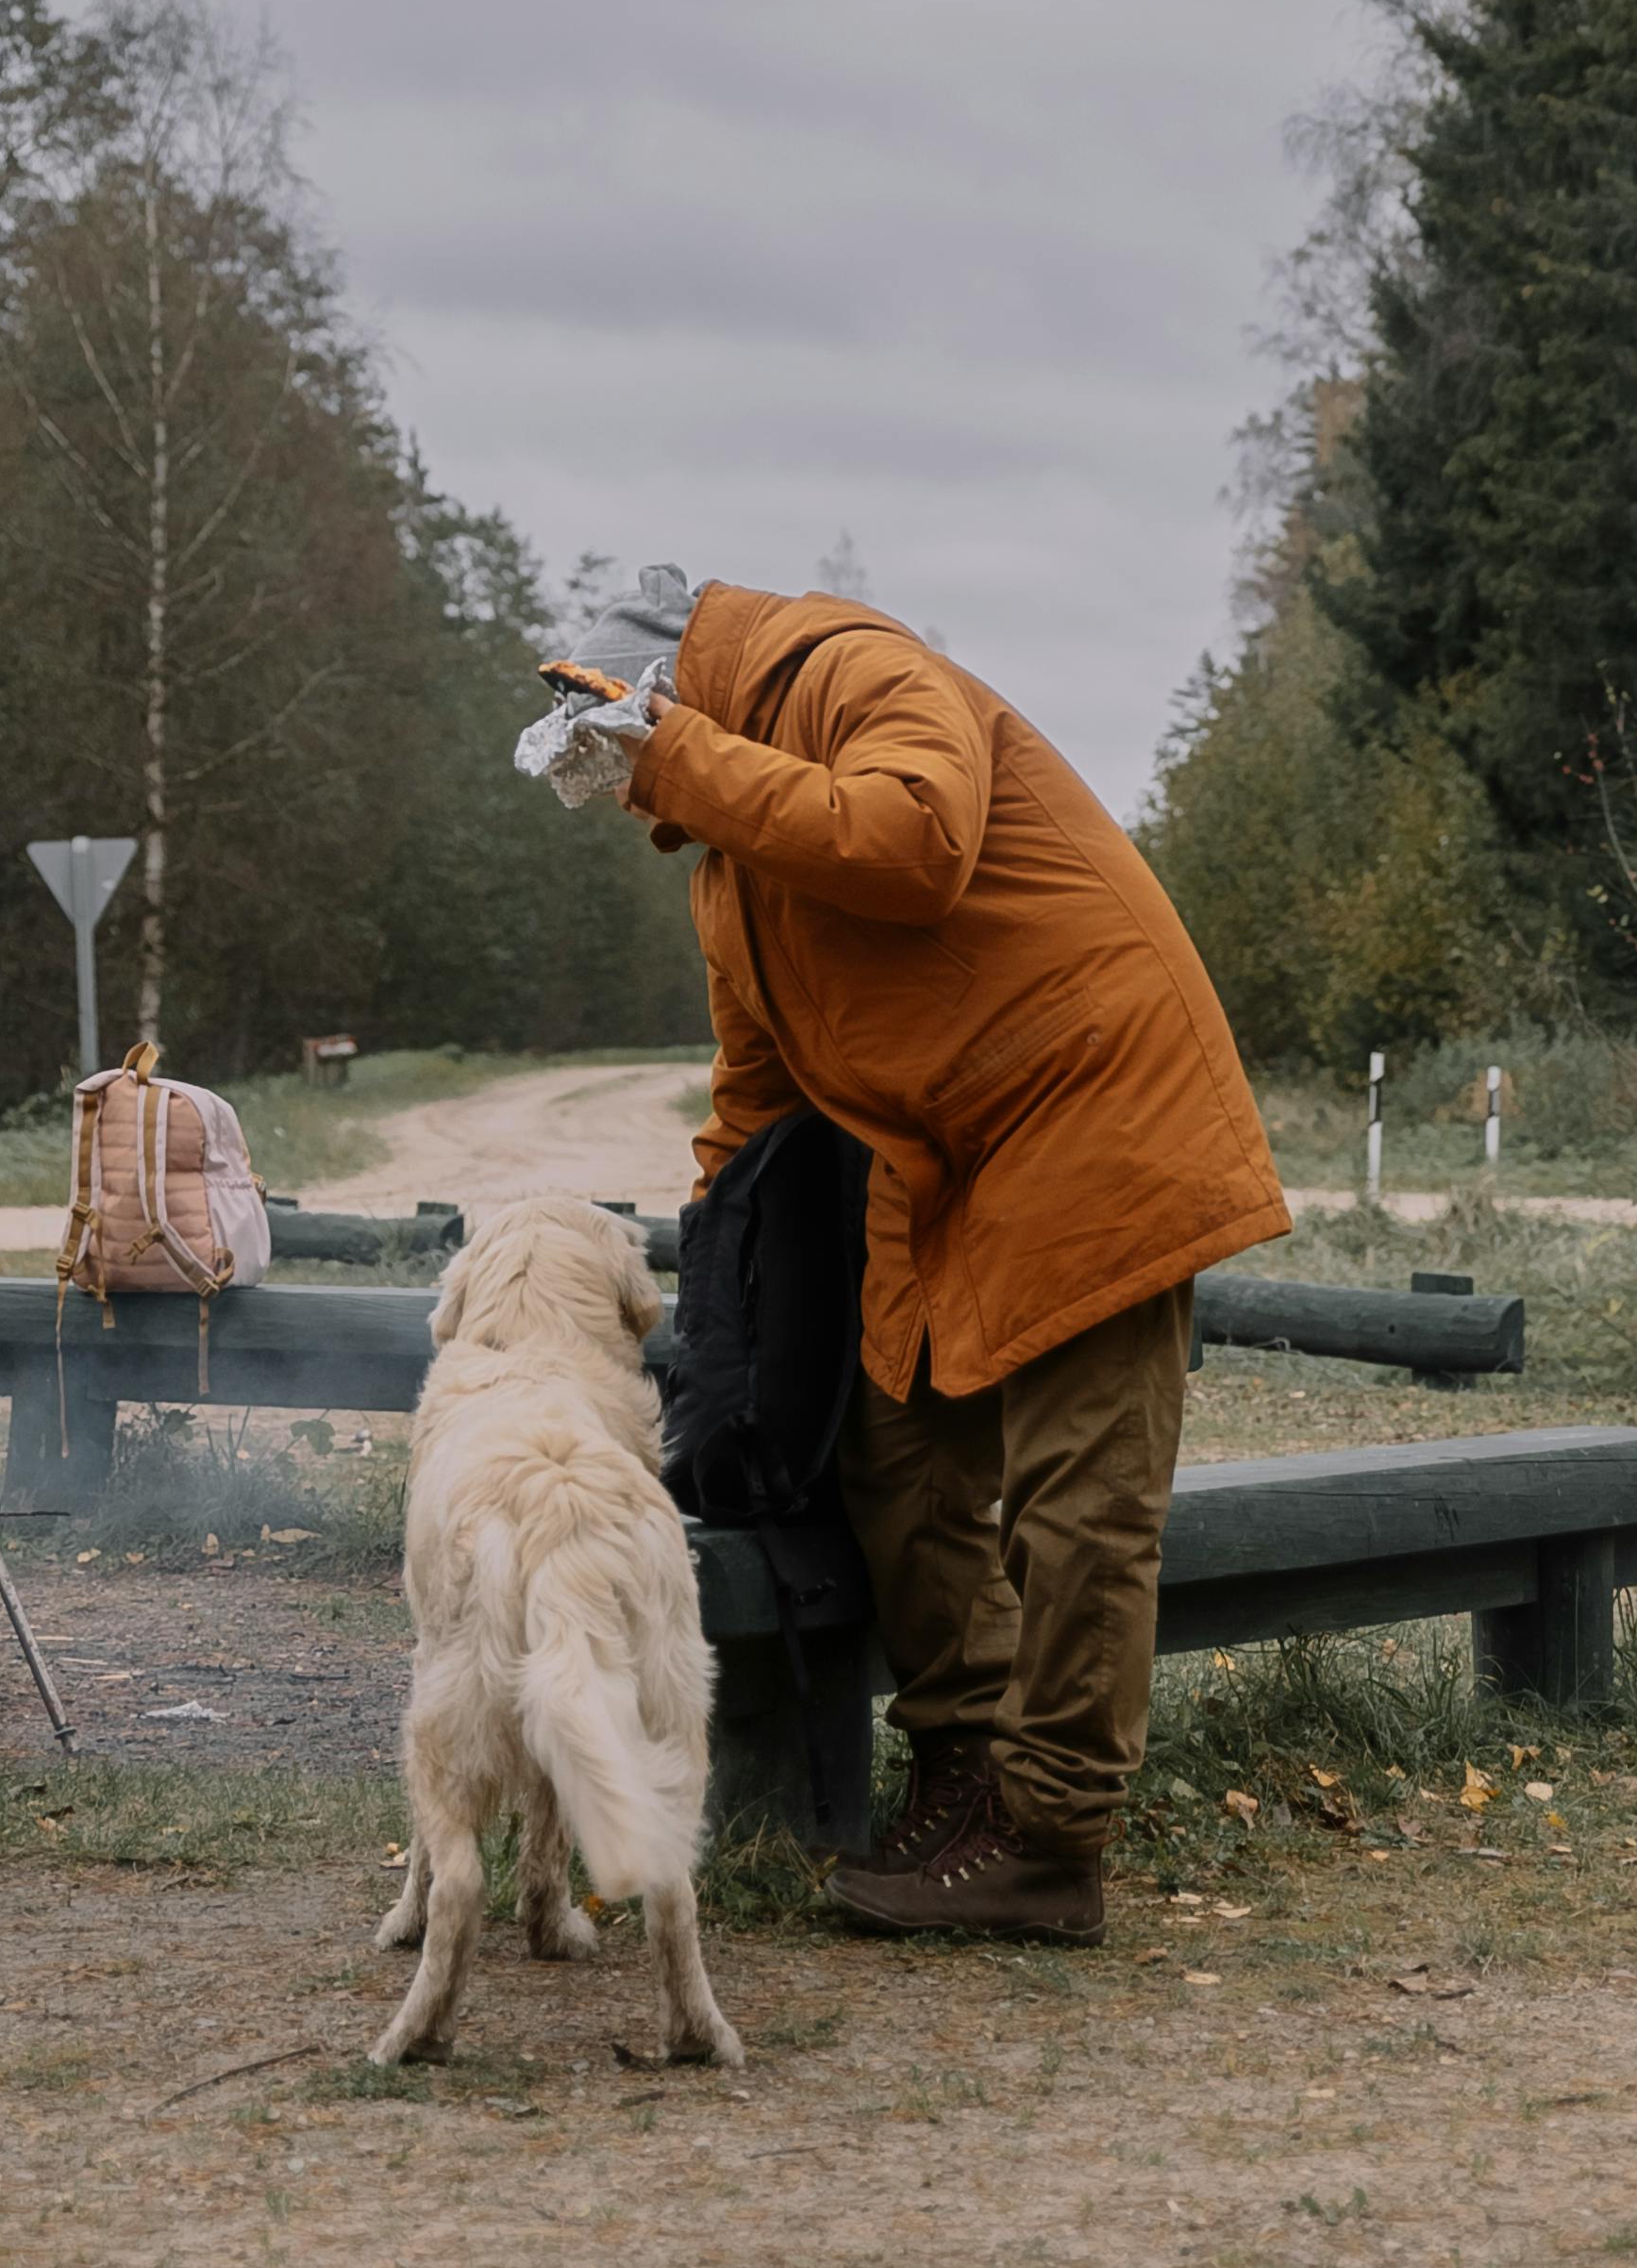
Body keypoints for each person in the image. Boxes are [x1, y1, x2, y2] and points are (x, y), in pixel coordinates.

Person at [536, 563, 1288, 1941]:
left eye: (619, 744)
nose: (625, 787)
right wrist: (716, 1305)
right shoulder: (730, 875)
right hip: (948, 1157)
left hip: (1097, 1099)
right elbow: (757, 1099)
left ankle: (1050, 1838)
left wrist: (686, 759)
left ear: (668, 693)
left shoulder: (855, 671)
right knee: (899, 1451)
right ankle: (964, 1765)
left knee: (1077, 1495)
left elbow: (916, 837)